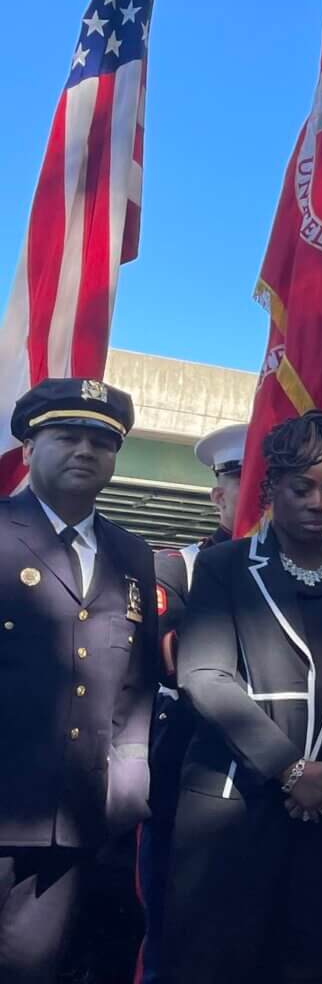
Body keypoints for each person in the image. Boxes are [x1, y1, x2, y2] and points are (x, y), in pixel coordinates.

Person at [164, 411, 322, 983]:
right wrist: (292, 770)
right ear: (272, 488)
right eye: (302, 488)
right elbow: (203, 673)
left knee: (316, 961)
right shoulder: (226, 565)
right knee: (218, 962)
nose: (318, 503)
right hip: (232, 805)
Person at [0, 378, 158, 984]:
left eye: (101, 442)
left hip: (73, 815)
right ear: (29, 447)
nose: (85, 452)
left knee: (36, 971)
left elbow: (135, 684)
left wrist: (128, 779)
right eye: (67, 436)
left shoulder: (132, 554)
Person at [137, 422, 247, 984]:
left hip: (270, 784)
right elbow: (178, 664)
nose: (256, 494)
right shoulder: (176, 566)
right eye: (242, 479)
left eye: (268, 481)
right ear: (217, 494)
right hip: (187, 771)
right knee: (173, 931)